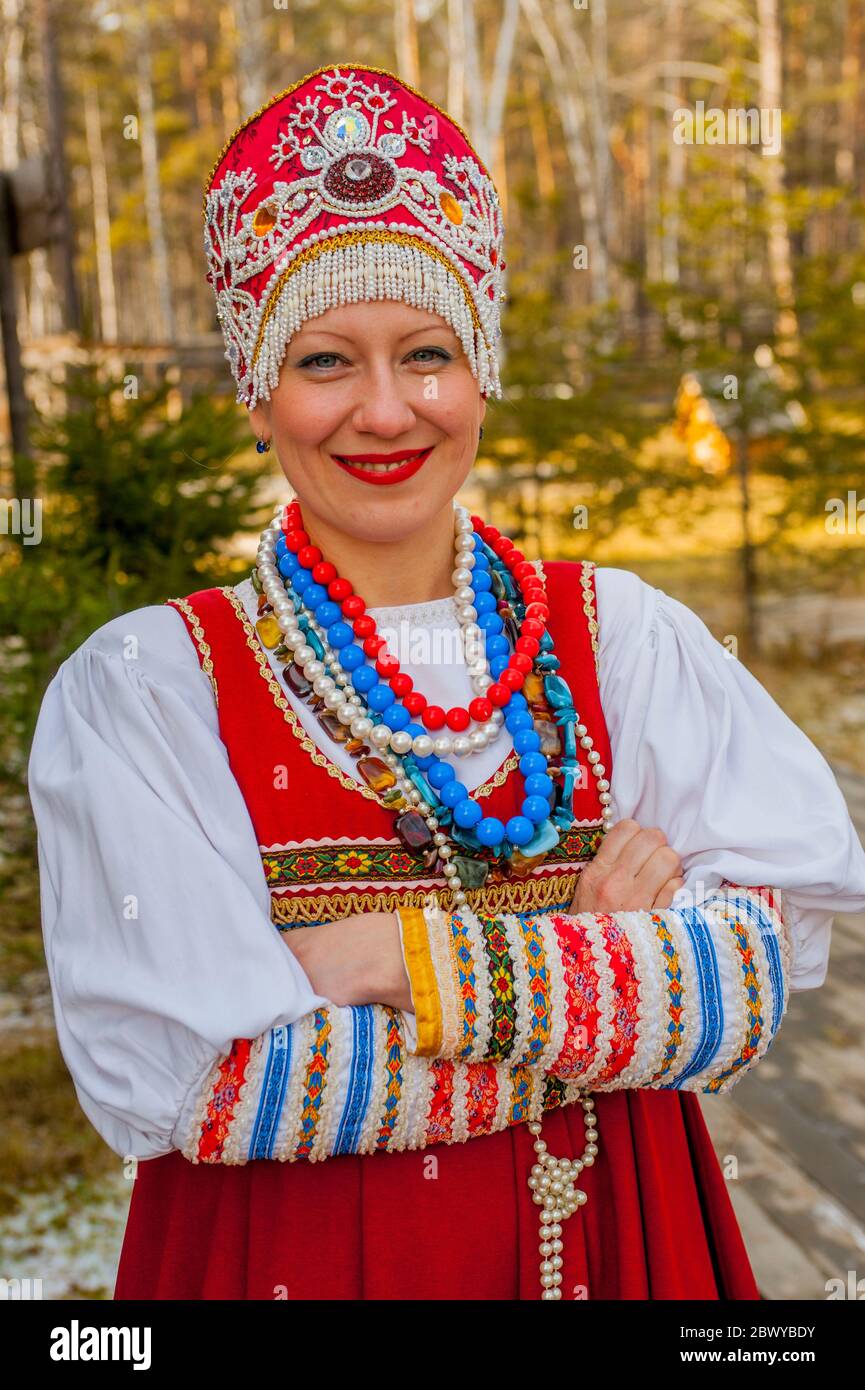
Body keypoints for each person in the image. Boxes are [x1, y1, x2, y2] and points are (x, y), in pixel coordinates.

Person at [27, 61, 865, 1302]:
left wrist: (399, 965)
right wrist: (602, 974)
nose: (384, 410)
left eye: (426, 351)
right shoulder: (150, 690)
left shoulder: (619, 635)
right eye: (323, 362)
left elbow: (747, 985)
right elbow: (214, 1088)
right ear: (256, 390)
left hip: (628, 1249)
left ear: (479, 369)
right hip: (299, 1264)